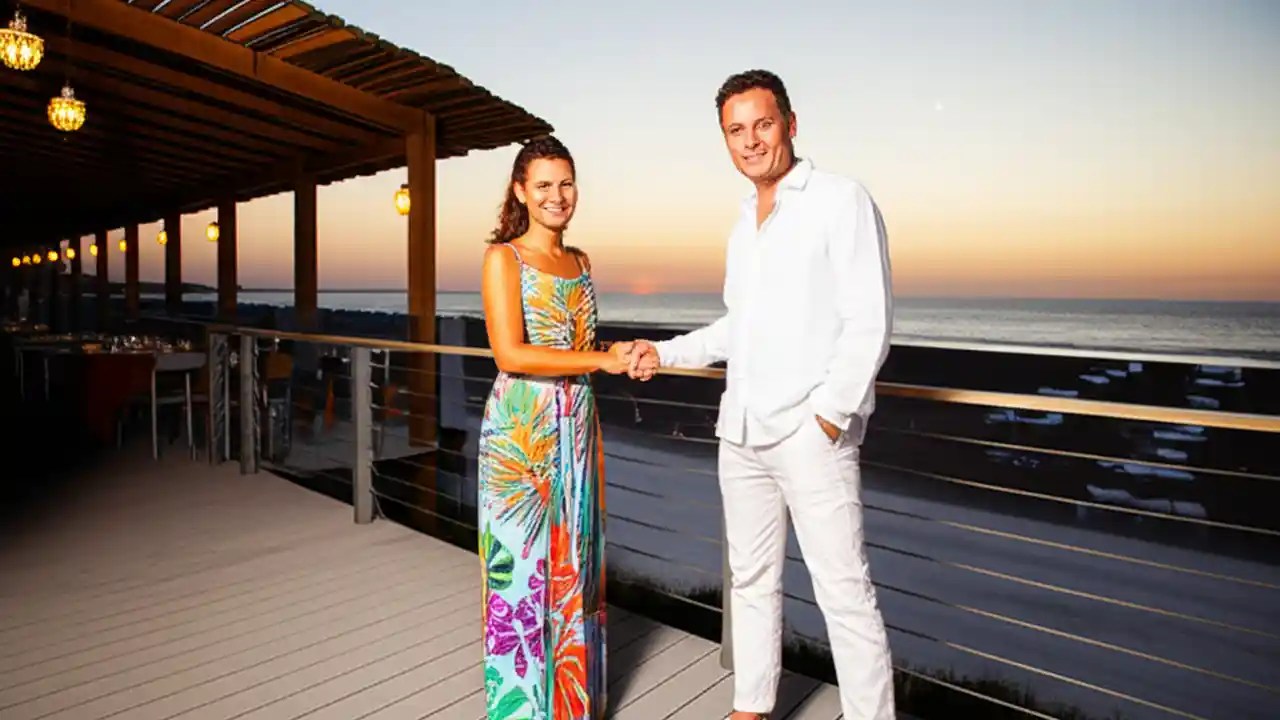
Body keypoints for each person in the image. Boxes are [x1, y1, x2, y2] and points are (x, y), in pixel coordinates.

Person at [627, 69, 896, 720]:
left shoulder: (841, 199)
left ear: (791, 124)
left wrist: (828, 419)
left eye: (763, 124)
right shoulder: (743, 221)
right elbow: (734, 327)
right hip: (741, 432)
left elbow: (871, 321)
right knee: (749, 582)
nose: (750, 141)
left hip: (809, 435)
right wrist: (663, 353)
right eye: (735, 130)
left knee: (844, 593)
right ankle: (750, 709)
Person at [477, 136, 632, 720]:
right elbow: (511, 355)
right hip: (522, 434)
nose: (556, 196)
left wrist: (619, 354)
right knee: (520, 570)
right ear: (520, 190)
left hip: (578, 424)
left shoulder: (582, 262)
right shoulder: (504, 258)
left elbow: (583, 347)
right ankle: (520, 711)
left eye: (566, 183)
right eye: (543, 185)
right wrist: (600, 360)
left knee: (578, 563)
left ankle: (572, 707)